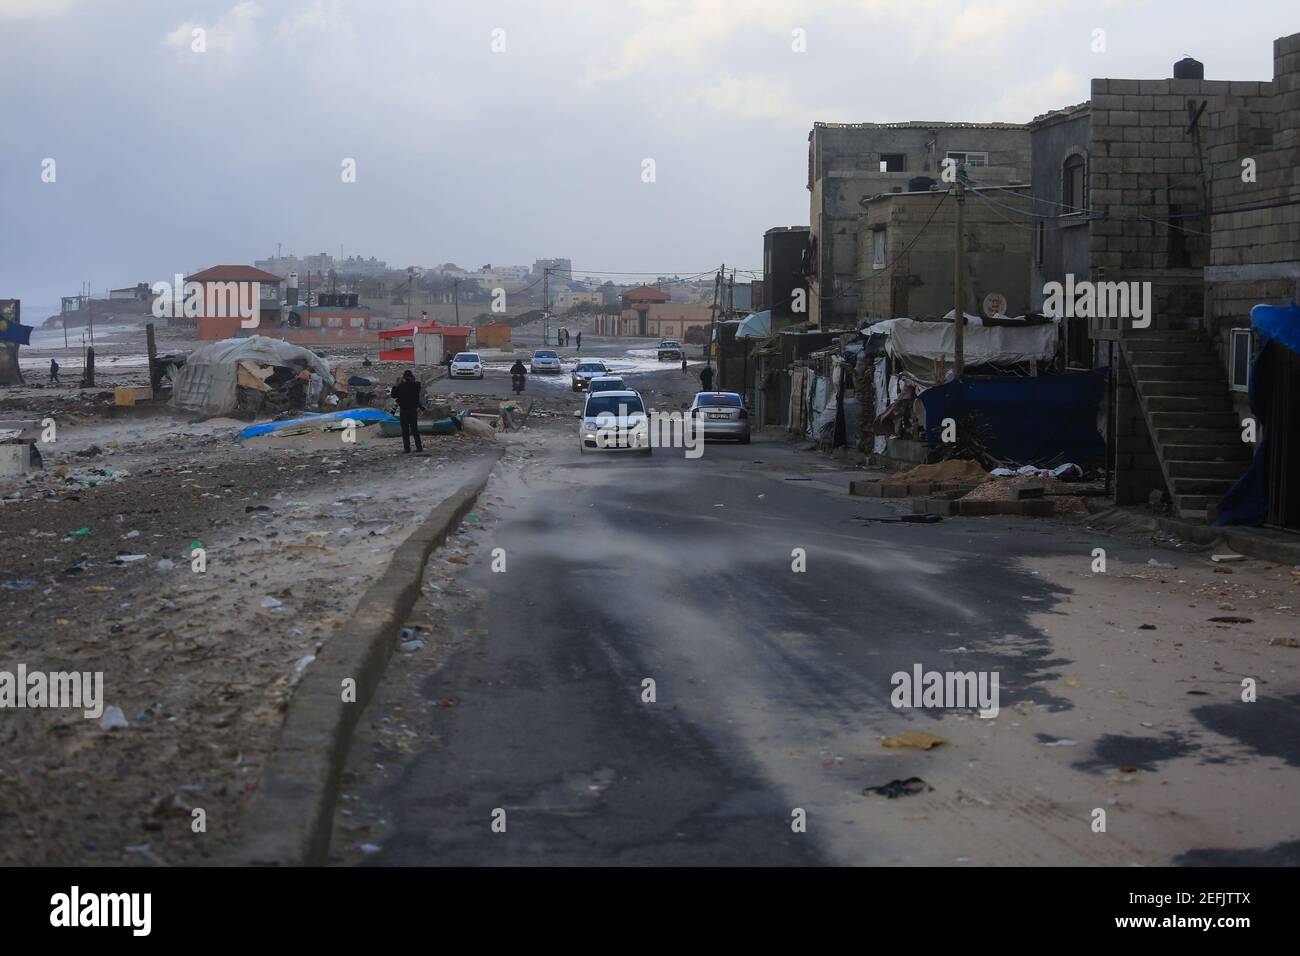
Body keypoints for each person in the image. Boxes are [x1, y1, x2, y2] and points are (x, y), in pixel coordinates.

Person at [390, 370, 424, 453]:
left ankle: (407, 448)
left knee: (405, 431)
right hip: (413, 410)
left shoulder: (401, 387)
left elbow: (393, 395)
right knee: (415, 430)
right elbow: (417, 385)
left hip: (404, 411)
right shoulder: (416, 386)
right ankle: (419, 447)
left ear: (404, 377)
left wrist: (397, 384)